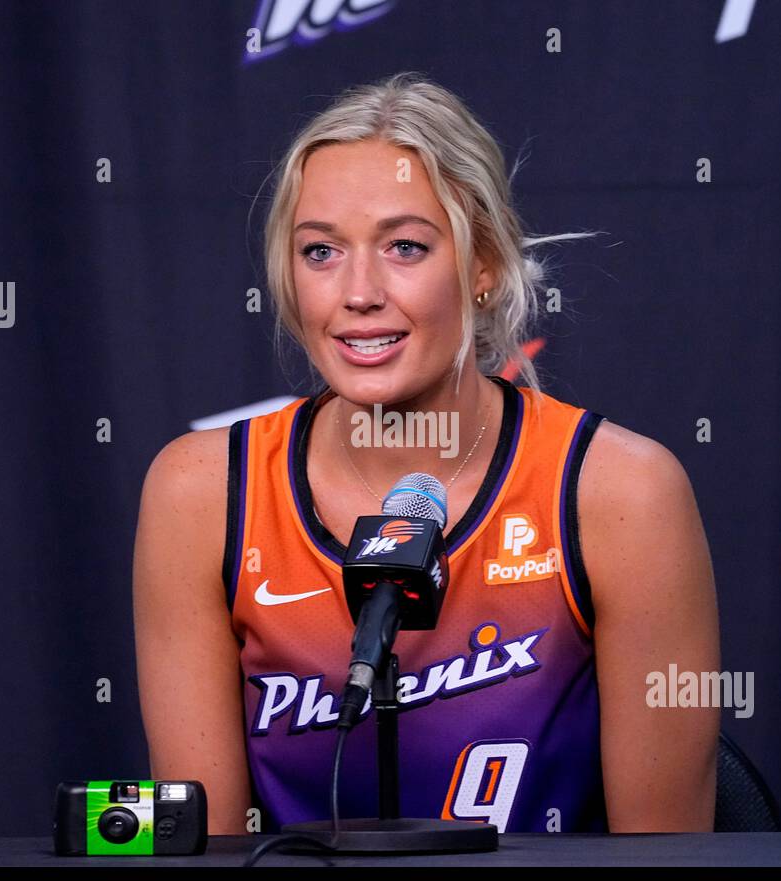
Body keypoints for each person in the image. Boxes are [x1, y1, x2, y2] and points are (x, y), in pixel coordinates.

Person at [133, 72, 720, 835]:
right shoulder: (199, 493)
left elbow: (663, 865)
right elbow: (206, 850)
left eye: (405, 246)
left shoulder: (619, 493)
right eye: (320, 252)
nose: (359, 292)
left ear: (484, 269)